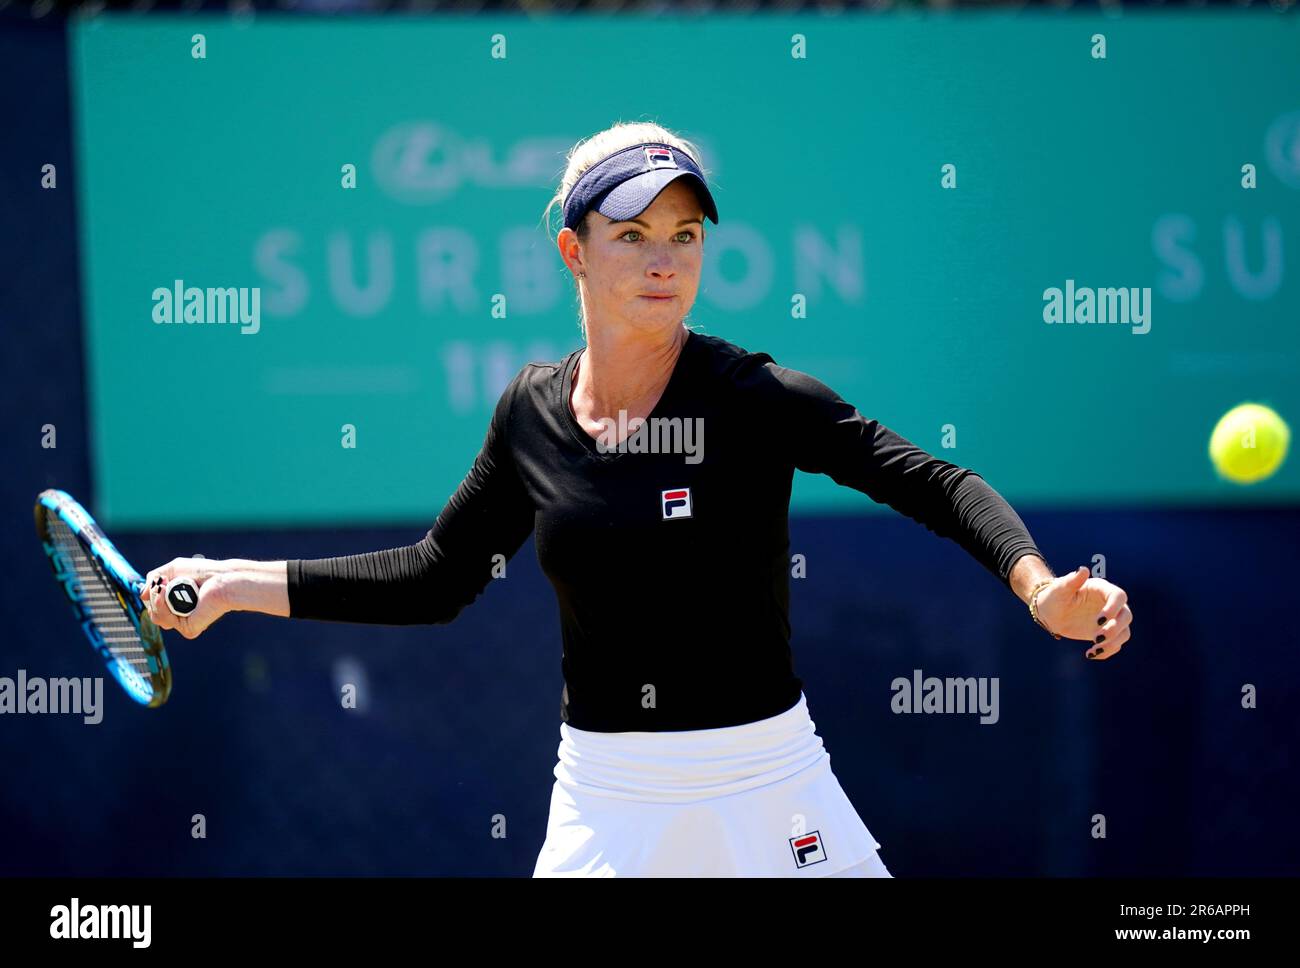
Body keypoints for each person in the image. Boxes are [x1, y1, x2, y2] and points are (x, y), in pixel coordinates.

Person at [139, 121, 1134, 877]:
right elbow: (435, 577)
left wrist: (1038, 584)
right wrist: (235, 583)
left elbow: (933, 478)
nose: (664, 260)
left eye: (685, 234)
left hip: (768, 779)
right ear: (575, 251)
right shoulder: (530, 410)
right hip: (607, 797)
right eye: (632, 235)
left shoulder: (752, 396)